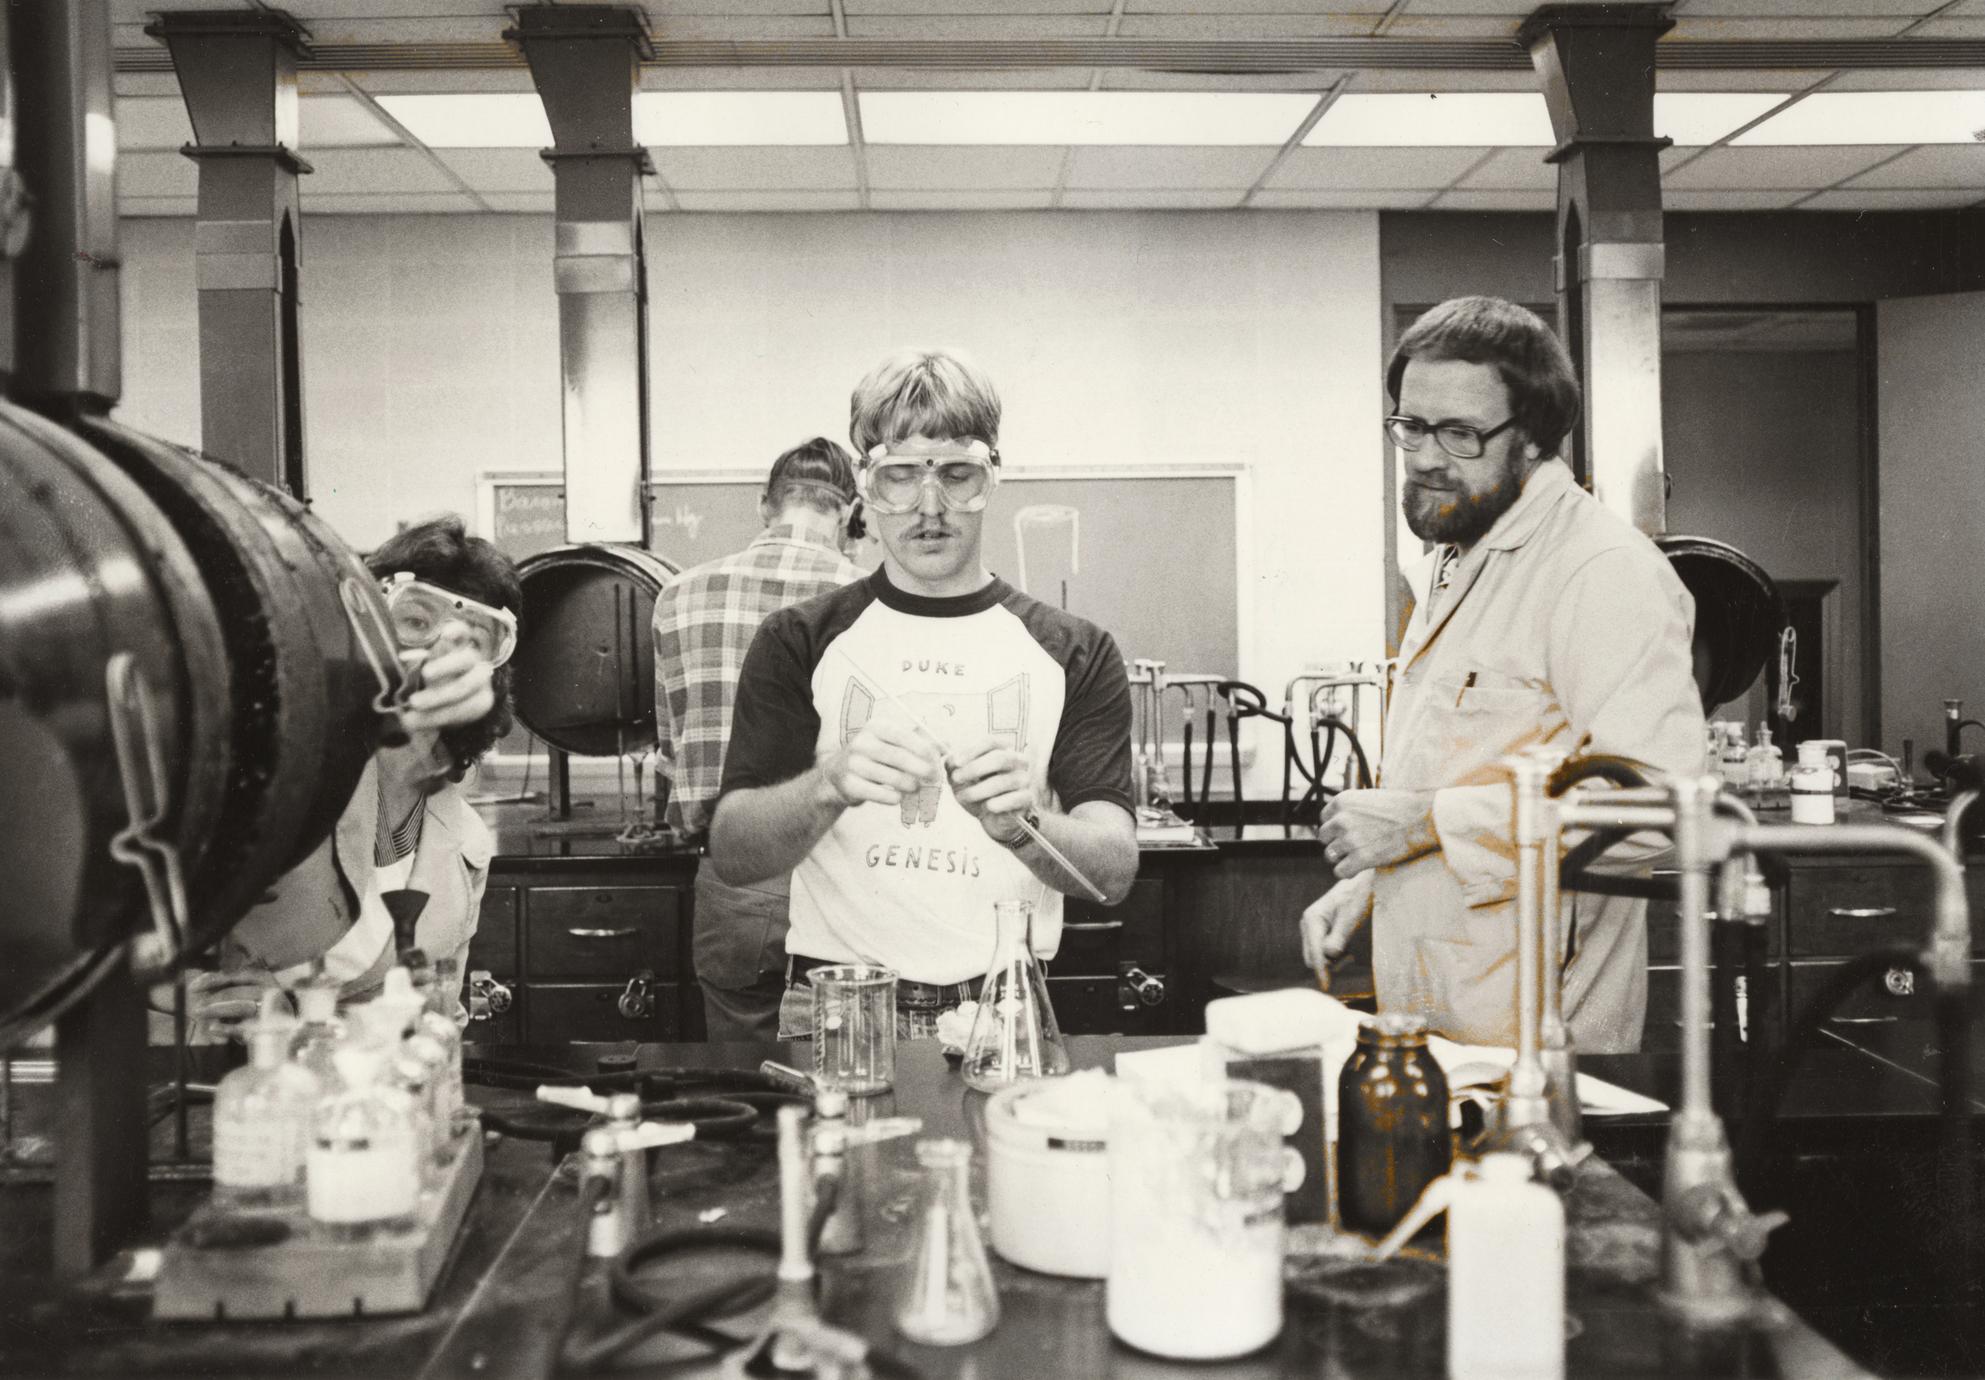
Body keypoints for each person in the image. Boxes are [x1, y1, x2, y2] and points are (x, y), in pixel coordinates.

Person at [1300, 296, 1705, 1054]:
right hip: (1448, 1027)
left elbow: (1653, 804)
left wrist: (1421, 823)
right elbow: (1476, 767)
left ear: (1532, 441)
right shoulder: (1464, 557)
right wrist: (1367, 885)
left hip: (1542, 1048)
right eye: (1410, 426)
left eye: (1459, 434)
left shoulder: (1599, 571)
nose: (1424, 456)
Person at [707, 348, 1140, 1040]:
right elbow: (732, 852)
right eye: (900, 477)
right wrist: (831, 783)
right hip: (838, 1003)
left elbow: (1111, 873)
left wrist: (1023, 826)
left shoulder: (1072, 649)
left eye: (957, 475)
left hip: (1004, 1001)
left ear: (992, 476)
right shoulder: (800, 639)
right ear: (865, 489)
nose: (929, 508)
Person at [190, 516, 519, 1034]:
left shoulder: (465, 844)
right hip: (226, 1080)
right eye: (416, 621)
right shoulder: (285, 781)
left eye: (474, 640)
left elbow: (440, 1020)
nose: (440, 653)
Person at [652, 438, 867, 1041]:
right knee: (849, 1076)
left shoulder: (679, 594)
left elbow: (671, 746)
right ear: (851, 514)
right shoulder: (868, 598)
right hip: (846, 883)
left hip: (734, 880)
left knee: (746, 1091)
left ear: (763, 506)